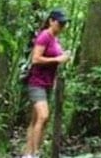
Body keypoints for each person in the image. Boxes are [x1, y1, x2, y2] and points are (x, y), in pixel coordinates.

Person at [22, 8, 71, 158]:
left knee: (36, 119)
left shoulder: (55, 39)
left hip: (48, 83)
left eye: (64, 24)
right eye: (59, 23)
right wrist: (57, 59)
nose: (62, 26)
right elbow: (36, 59)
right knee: (43, 116)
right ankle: (36, 153)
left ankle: (28, 154)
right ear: (51, 21)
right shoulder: (44, 36)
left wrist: (64, 56)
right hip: (36, 82)